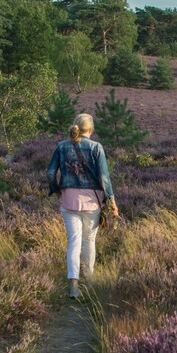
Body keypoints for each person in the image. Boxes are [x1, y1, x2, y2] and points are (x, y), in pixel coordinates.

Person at [46, 113, 118, 299]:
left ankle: (74, 286)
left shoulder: (61, 146)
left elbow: (50, 172)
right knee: (89, 241)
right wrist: (111, 200)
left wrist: (57, 190)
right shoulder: (96, 147)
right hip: (92, 202)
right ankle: (89, 280)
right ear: (91, 129)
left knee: (74, 242)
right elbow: (104, 177)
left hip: (68, 200)